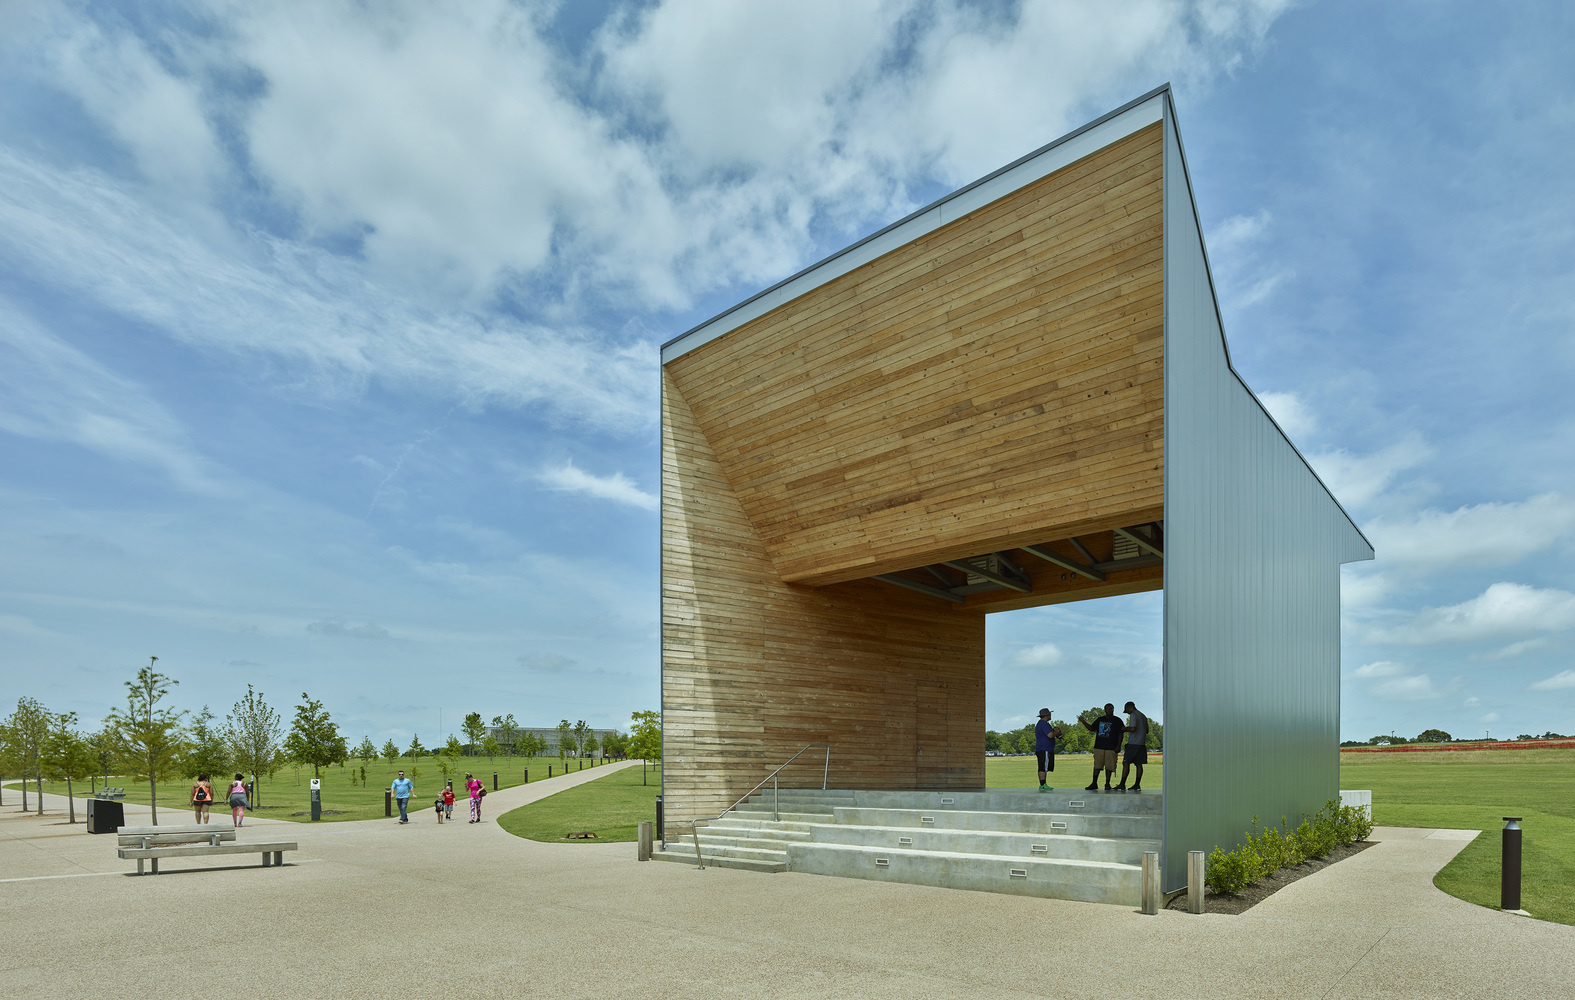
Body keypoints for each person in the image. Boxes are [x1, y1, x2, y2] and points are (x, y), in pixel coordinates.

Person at [1081, 703, 1124, 792]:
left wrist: (1119, 745)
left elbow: (1121, 733)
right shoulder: (1100, 719)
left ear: (1113, 709)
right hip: (1099, 746)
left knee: (1109, 766)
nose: (1109, 710)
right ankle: (1094, 783)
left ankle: (1107, 784)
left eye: (1110, 708)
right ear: (1105, 710)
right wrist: (1083, 721)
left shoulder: (1117, 720)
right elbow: (1092, 728)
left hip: (1111, 747)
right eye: (1107, 708)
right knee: (1097, 765)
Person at [1116, 701, 1148, 792]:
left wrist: (1124, 729)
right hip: (1142, 744)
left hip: (1133, 744)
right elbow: (1147, 731)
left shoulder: (1133, 715)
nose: (1127, 713)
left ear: (1129, 707)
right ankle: (1137, 784)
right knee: (1139, 764)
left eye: (1127, 711)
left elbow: (1133, 728)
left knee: (1126, 763)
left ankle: (1122, 784)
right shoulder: (1143, 716)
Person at [1033, 709, 1062, 792]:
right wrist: (1056, 732)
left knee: (1043, 766)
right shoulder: (1044, 724)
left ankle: (1043, 784)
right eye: (1049, 714)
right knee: (1043, 767)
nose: (1050, 715)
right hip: (1044, 749)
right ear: (1047, 715)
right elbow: (1050, 735)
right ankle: (1043, 784)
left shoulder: (1041, 724)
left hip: (1043, 749)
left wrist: (1055, 733)